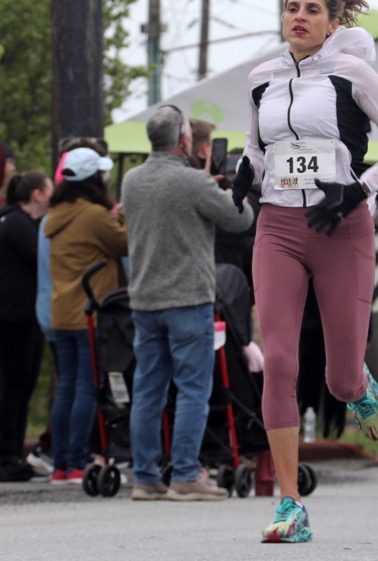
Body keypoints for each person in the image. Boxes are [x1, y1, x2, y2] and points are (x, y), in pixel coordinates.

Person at [238, 0, 378, 542]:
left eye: (312, 10)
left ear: (332, 22)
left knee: (338, 380)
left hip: (341, 227)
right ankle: (290, 504)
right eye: (292, 8)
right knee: (281, 362)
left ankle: (357, 384)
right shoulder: (261, 78)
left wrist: (358, 189)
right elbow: (255, 145)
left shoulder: (354, 75)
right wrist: (246, 174)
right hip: (278, 227)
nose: (299, 17)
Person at [123, 106, 255, 501]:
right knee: (193, 388)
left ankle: (145, 477)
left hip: (144, 300)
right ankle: (184, 474)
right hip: (188, 299)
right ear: (184, 141)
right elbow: (241, 218)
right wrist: (226, 191)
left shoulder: (131, 181)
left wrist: (204, 185)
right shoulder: (194, 184)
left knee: (148, 390)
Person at [44, 146, 128, 485]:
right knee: (85, 388)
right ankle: (78, 460)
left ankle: (61, 464)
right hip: (88, 313)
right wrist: (121, 215)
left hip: (61, 313)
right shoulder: (93, 215)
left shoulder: (56, 214)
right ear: (95, 178)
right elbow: (124, 244)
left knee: (65, 387)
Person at [0, 171, 52, 481]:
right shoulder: (17, 224)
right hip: (10, 317)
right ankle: (1, 457)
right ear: (37, 194)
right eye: (50, 190)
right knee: (10, 388)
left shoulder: (24, 224)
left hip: (23, 315)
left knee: (21, 387)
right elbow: (44, 259)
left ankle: (11, 455)